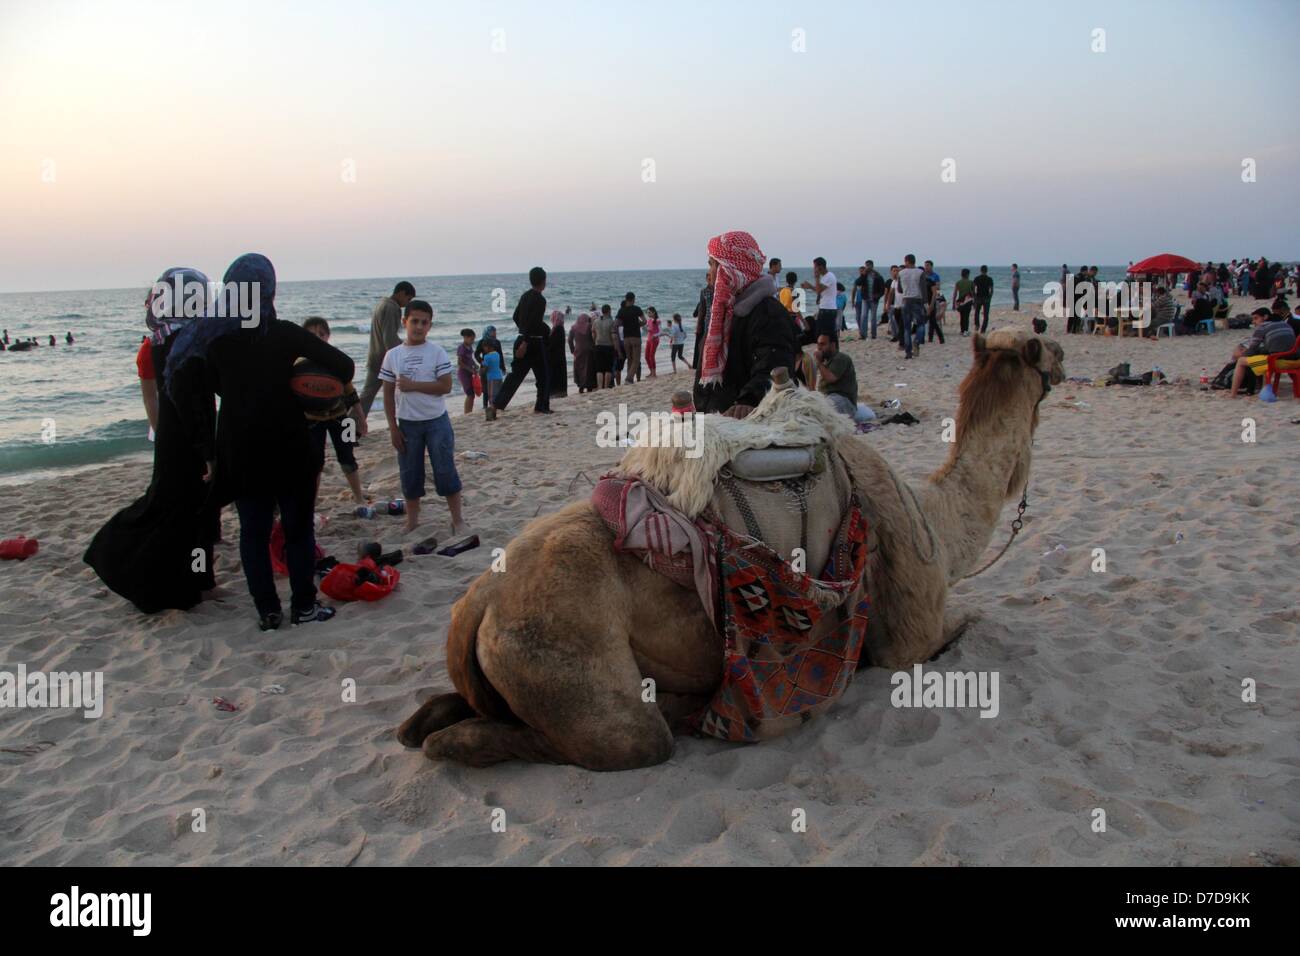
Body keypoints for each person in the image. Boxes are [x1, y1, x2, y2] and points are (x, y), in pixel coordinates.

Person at [166, 253, 352, 630]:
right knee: (299, 529)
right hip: (288, 444)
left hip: (239, 447)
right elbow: (344, 366)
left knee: (253, 532)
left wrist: (206, 447)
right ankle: (303, 607)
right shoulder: (284, 333)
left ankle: (268, 612)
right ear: (269, 289)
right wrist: (301, 380)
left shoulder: (213, 339)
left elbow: (187, 386)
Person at [84, 267, 221, 614]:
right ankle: (114, 556)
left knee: (195, 514)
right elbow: (191, 402)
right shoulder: (185, 344)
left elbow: (170, 400)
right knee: (177, 510)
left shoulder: (163, 341)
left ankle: (201, 582)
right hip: (186, 438)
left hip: (176, 436)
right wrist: (207, 450)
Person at [379, 299, 470, 534]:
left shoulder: (436, 352)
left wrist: (413, 385)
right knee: (410, 472)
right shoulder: (392, 355)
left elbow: (445, 386)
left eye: (424, 322)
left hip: (436, 421)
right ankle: (412, 521)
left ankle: (457, 519)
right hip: (407, 424)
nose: (418, 326)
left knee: (444, 469)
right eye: (414, 321)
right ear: (404, 322)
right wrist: (392, 427)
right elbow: (388, 394)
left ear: (430, 325)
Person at [694, 230, 797, 417]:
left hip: (745, 420)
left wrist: (748, 401)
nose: (710, 272)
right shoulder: (727, 311)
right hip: (716, 417)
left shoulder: (768, 314)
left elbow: (773, 365)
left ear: (727, 269)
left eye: (712, 265)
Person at [302, 317, 367, 506]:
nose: (317, 337)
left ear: (328, 336)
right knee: (315, 463)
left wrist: (361, 418)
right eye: (312, 334)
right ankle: (311, 504)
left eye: (321, 334)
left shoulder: (337, 361)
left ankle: (359, 497)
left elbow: (351, 392)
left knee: (348, 458)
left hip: (342, 418)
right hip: (311, 420)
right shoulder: (299, 364)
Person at [493, 267, 551, 414]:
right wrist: (526, 340)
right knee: (543, 376)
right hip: (534, 343)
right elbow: (534, 321)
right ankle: (541, 406)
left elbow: (515, 316)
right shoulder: (540, 299)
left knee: (515, 376)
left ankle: (496, 405)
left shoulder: (525, 296)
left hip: (521, 339)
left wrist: (522, 332)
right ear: (543, 281)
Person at [360, 281, 415, 415]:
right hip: (383, 360)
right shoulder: (392, 308)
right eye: (408, 299)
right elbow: (389, 339)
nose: (407, 303)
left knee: (367, 395)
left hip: (375, 356)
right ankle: (351, 427)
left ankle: (350, 427)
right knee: (372, 396)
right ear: (401, 293)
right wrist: (407, 348)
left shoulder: (382, 303)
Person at [1229, 307, 1298, 397]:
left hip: (1278, 361)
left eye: (1256, 318)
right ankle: (1264, 387)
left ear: (1265, 317)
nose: (1253, 322)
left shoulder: (1262, 327)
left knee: (1241, 361)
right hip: (1296, 361)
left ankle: (1232, 394)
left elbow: (1253, 348)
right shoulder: (1286, 324)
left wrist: (1241, 355)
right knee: (1263, 357)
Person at [814, 333, 858, 417]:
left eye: (823, 344)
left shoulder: (840, 358)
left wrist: (819, 363)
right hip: (830, 398)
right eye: (818, 344)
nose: (819, 348)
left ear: (832, 345)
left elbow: (831, 378)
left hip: (844, 401)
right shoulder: (826, 361)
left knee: (826, 408)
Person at [801, 258, 838, 344]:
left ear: (820, 267)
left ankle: (832, 352)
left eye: (815, 267)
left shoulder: (829, 276)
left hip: (828, 310)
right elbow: (820, 291)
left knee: (826, 334)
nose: (814, 269)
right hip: (825, 309)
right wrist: (810, 286)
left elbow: (818, 290)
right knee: (825, 334)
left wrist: (816, 277)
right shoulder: (826, 277)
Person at [897, 254, 926, 359]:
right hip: (917, 300)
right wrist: (925, 303)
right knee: (921, 324)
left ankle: (908, 352)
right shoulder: (920, 272)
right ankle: (917, 341)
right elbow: (923, 289)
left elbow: (899, 289)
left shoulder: (901, 273)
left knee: (907, 328)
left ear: (906, 261)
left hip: (905, 300)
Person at [617, 292, 645, 383]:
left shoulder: (621, 311)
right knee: (636, 360)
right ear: (633, 299)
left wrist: (626, 324)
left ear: (625, 299)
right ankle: (629, 378)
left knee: (630, 359)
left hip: (626, 338)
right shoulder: (637, 309)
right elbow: (644, 321)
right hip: (635, 337)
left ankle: (630, 379)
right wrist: (637, 325)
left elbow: (616, 324)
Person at [474, 325, 504, 409]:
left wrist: (503, 367)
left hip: (494, 368)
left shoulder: (497, 342)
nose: (495, 333)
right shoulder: (482, 342)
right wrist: (482, 362)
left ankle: (496, 404)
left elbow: (500, 355)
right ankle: (485, 405)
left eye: (495, 331)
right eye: (493, 331)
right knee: (485, 388)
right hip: (485, 365)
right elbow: (476, 354)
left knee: (496, 388)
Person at [568, 308, 595, 393]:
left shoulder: (574, 327)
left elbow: (569, 340)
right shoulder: (590, 326)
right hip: (589, 350)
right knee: (588, 368)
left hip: (578, 350)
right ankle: (589, 386)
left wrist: (572, 350)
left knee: (579, 368)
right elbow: (594, 337)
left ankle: (581, 386)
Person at [456, 328, 479, 415]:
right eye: (471, 339)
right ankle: (466, 412)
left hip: (470, 372)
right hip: (463, 373)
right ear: (465, 337)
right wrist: (470, 369)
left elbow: (470, 358)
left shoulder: (469, 347)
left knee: (472, 394)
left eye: (473, 339)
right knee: (469, 393)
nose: (472, 341)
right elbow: (460, 363)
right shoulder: (461, 348)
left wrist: (475, 364)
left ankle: (469, 412)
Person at [592, 304, 617, 389]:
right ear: (609, 311)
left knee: (599, 368)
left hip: (598, 345)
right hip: (608, 346)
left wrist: (594, 342)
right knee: (608, 368)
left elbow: (593, 333)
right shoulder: (611, 322)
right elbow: (613, 336)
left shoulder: (596, 321)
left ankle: (599, 387)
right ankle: (606, 387)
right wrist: (616, 346)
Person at [546, 309, 569, 398]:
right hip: (559, 357)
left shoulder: (557, 329)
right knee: (559, 374)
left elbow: (551, 344)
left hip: (555, 357)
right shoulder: (559, 328)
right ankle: (559, 392)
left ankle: (556, 392)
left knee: (556, 375)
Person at [972, 265, 994, 334]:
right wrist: (990, 297)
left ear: (980, 270)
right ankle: (983, 329)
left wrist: (974, 296)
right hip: (986, 298)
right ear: (987, 271)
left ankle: (977, 324)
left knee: (977, 312)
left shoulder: (977, 278)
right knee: (986, 314)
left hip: (978, 297)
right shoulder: (989, 279)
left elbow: (972, 288)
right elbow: (991, 290)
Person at [953, 268, 975, 336]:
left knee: (962, 317)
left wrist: (954, 303)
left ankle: (962, 331)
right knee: (966, 317)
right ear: (968, 274)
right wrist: (974, 303)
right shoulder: (971, 282)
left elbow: (955, 293)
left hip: (961, 302)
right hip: (968, 301)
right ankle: (966, 330)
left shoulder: (958, 282)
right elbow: (973, 293)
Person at [643, 306, 661, 377]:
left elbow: (660, 332)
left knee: (651, 356)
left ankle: (654, 373)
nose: (648, 314)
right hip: (649, 339)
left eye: (649, 313)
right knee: (646, 357)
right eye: (647, 313)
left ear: (654, 312)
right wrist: (644, 328)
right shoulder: (649, 320)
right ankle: (651, 372)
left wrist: (655, 335)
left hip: (655, 340)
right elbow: (647, 330)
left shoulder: (658, 320)